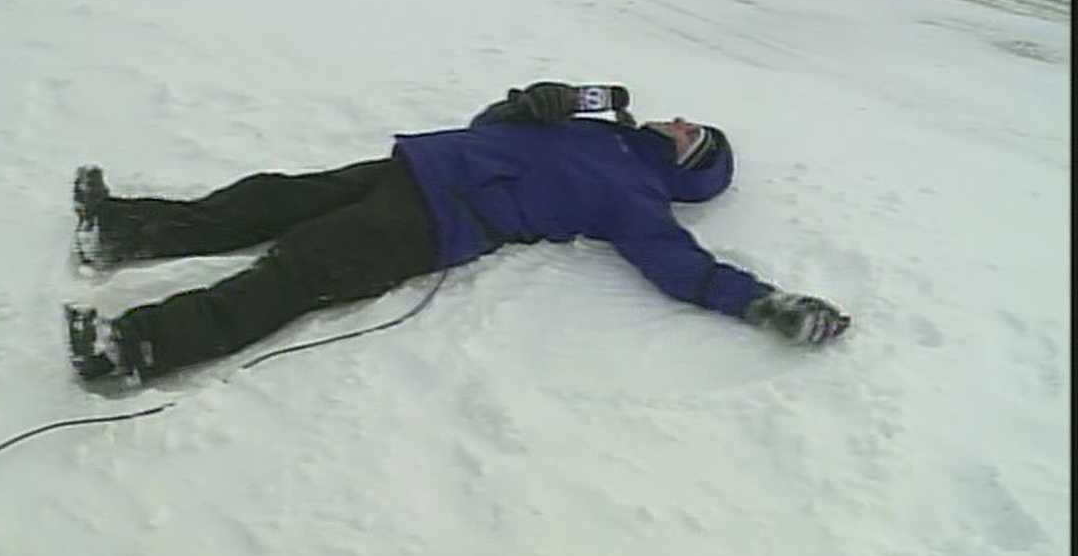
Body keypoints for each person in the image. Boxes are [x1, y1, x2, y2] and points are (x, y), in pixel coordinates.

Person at [65, 81, 850, 382]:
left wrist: (763, 303)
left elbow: (683, 267)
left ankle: (135, 347)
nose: (677, 121)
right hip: (413, 167)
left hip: (437, 221)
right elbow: (490, 127)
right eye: (684, 119)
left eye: (690, 131)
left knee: (296, 269)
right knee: (265, 199)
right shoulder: (594, 128)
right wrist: (526, 104)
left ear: (690, 164)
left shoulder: (638, 194)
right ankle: (118, 230)